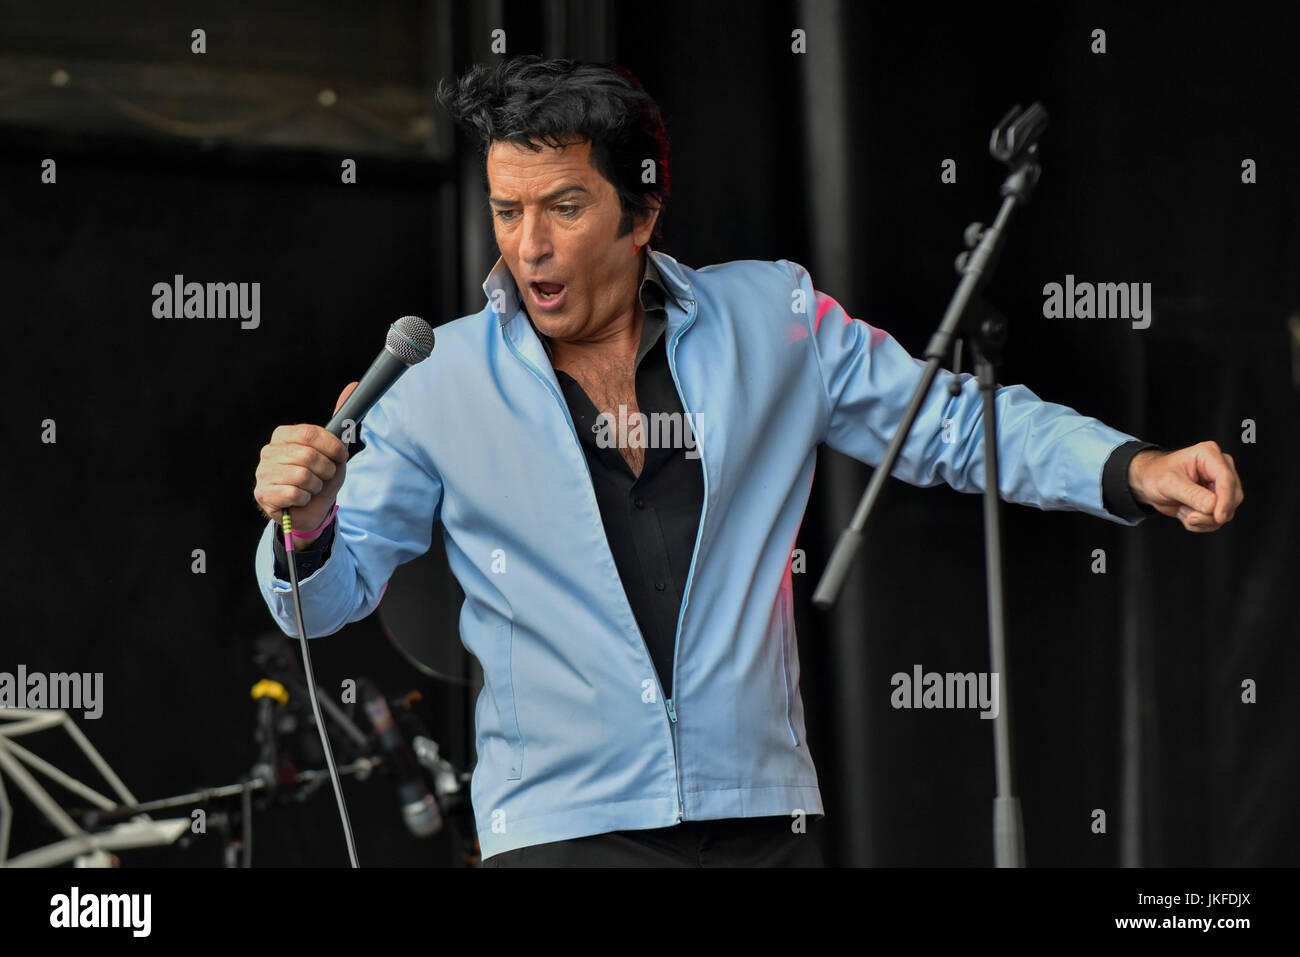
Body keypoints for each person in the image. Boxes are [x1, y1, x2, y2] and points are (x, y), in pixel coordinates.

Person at [252, 56, 1243, 867]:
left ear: (640, 215)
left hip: (762, 816)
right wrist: (305, 525)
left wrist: (1129, 468)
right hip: (560, 829)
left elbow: (939, 424)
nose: (528, 246)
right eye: (508, 211)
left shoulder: (770, 318)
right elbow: (322, 602)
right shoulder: (437, 377)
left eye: (561, 208)